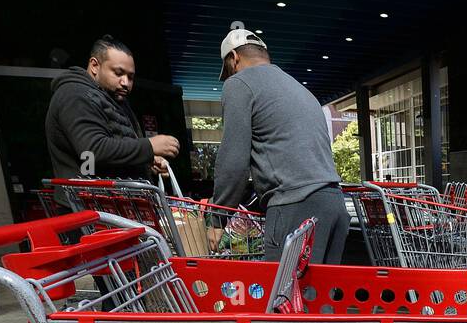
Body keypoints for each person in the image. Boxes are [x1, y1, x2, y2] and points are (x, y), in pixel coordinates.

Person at [212, 29, 349, 263]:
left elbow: (233, 162)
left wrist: (217, 219)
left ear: (234, 58)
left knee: (284, 295)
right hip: (333, 202)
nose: (228, 78)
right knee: (321, 297)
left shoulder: (239, 83)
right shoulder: (297, 87)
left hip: (294, 207)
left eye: (226, 72)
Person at [45, 35, 181, 182]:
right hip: (87, 201)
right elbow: (91, 152)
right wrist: (148, 147)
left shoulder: (112, 99)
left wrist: (147, 161)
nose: (125, 83)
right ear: (94, 66)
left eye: (131, 77)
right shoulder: (75, 95)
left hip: (110, 200)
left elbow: (116, 148)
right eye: (118, 73)